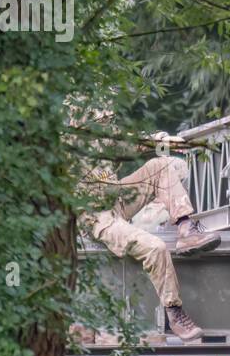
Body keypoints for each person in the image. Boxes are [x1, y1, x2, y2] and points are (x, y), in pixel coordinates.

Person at [72, 103, 220, 341]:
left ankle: (186, 228)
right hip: (98, 218)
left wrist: (167, 142)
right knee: (156, 247)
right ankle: (174, 312)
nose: (108, 124)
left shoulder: (102, 139)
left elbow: (136, 143)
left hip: (117, 199)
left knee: (160, 165)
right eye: (102, 120)